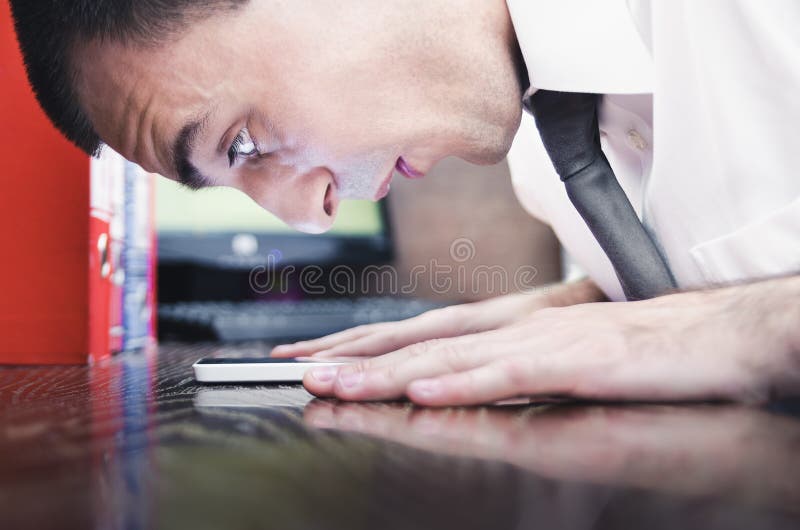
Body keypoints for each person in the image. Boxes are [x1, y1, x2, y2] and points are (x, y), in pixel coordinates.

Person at [11, 1, 799, 406]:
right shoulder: (543, 165)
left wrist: (748, 324)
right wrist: (598, 303)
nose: (312, 218)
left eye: (245, 144)